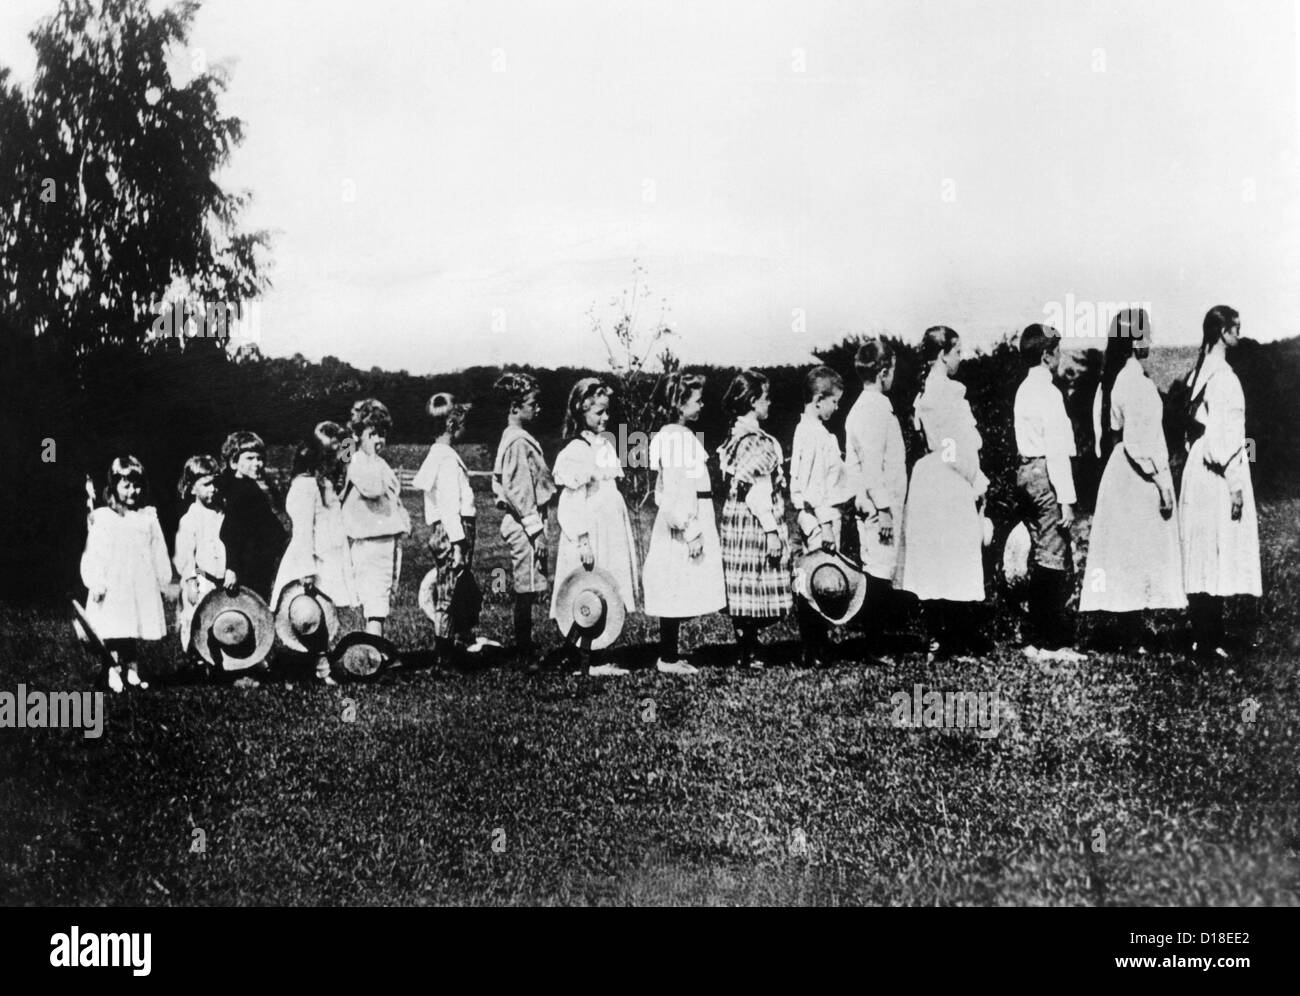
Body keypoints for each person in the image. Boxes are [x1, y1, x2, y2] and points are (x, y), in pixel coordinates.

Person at [1079, 311, 1185, 645]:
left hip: (1119, 470)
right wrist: (1163, 483)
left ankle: (1128, 627)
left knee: (1126, 549)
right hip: (1137, 474)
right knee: (1137, 548)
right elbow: (1141, 443)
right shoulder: (1134, 382)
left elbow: (1110, 435)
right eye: (1147, 335)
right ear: (1136, 340)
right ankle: (1131, 631)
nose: (1151, 341)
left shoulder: (1111, 380)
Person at [897, 326, 988, 658]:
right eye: (958, 352)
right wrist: (975, 479)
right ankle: (957, 640)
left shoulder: (923, 393)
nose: (961, 358)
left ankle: (938, 638)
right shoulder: (948, 393)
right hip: (948, 477)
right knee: (957, 556)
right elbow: (956, 448)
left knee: (936, 558)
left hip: (927, 476)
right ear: (943, 354)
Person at [1179, 305, 1261, 660]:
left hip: (1197, 467)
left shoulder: (1198, 373)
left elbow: (1194, 431)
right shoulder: (1224, 376)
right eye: (1235, 328)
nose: (1238, 334)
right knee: (1215, 549)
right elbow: (1224, 439)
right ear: (1222, 332)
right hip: (1216, 472)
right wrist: (1235, 485)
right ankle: (1209, 637)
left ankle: (1204, 634)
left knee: (1203, 551)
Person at [550, 377, 640, 676]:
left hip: (610, 530)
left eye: (607, 412)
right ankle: (587, 656)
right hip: (591, 531)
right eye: (599, 412)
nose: (606, 417)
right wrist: (583, 539)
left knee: (608, 585)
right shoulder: (576, 451)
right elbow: (571, 503)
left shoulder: (603, 445)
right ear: (581, 411)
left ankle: (601, 650)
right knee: (589, 585)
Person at [641, 372, 726, 675]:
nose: (702, 405)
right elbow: (676, 491)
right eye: (697, 400)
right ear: (679, 403)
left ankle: (670, 653)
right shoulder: (676, 438)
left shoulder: (676, 436)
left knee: (676, 582)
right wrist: (691, 530)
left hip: (691, 512)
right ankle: (667, 656)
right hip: (683, 521)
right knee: (674, 581)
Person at [1013, 324, 1086, 662]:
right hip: (1046, 474)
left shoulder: (1024, 390)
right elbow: (1057, 450)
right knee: (1053, 557)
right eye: (1057, 350)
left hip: (1025, 472)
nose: (1060, 357)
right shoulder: (1050, 393)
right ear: (1047, 355)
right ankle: (1049, 642)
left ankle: (1033, 637)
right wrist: (1066, 500)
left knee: (1041, 552)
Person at [272, 421, 358, 681]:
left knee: (325, 612)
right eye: (328, 455)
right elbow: (302, 532)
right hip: (313, 562)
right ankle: (319, 668)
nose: (334, 460)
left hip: (329, 558)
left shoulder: (323, 482)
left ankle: (321, 664)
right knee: (314, 613)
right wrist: (306, 570)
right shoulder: (305, 486)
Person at [718, 369, 792, 669]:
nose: (770, 403)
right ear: (752, 401)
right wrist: (771, 530)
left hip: (738, 521)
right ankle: (750, 647)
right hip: (754, 522)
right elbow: (756, 491)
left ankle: (746, 645)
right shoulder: (755, 442)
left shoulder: (736, 436)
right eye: (765, 398)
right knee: (757, 581)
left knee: (745, 582)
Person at [81, 456, 173, 693]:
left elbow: (158, 547)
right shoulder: (104, 518)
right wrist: (96, 581)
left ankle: (132, 670)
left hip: (138, 582)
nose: (134, 491)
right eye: (127, 485)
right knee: (113, 630)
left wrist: (163, 577)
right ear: (114, 486)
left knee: (131, 629)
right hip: (114, 583)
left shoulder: (148, 517)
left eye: (138, 485)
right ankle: (112, 671)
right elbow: (95, 552)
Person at [844, 339, 908, 660]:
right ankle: (874, 644)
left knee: (881, 567)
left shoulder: (873, 407)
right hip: (876, 505)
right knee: (878, 571)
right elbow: (871, 464)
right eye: (893, 370)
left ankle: (876, 640)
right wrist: (883, 509)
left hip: (881, 502)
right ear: (883, 373)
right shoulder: (871, 410)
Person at [413, 392, 489, 657]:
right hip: (453, 531)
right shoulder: (444, 458)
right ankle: (443, 654)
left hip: (450, 529)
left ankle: (461, 639)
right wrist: (458, 543)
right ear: (451, 424)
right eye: (462, 421)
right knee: (448, 592)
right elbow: (448, 506)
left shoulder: (440, 454)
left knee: (457, 587)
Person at [789, 365, 854, 667]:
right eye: (834, 401)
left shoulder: (808, 431)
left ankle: (813, 645)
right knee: (821, 580)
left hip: (813, 515)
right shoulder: (814, 434)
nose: (837, 407)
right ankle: (816, 647)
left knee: (815, 579)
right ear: (818, 400)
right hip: (819, 517)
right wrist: (826, 527)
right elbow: (814, 487)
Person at [492, 372, 557, 672]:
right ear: (516, 407)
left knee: (528, 584)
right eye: (533, 403)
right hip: (523, 522)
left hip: (524, 520)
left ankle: (526, 643)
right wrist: (537, 533)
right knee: (525, 586)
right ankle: (523, 647)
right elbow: (519, 490)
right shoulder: (517, 441)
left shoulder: (515, 438)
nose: (539, 408)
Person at [342, 398, 411, 638]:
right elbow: (372, 489)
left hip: (385, 538)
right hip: (370, 540)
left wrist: (402, 517)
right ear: (359, 435)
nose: (378, 440)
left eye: (382, 434)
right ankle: (374, 648)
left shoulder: (380, 463)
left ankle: (376, 646)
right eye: (372, 434)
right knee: (375, 598)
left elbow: (393, 495)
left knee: (382, 593)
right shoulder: (358, 461)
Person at [218, 430, 287, 603]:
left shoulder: (250, 488)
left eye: (260, 458)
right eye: (249, 458)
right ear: (234, 462)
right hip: (246, 567)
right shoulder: (238, 492)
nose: (257, 463)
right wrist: (232, 568)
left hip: (258, 564)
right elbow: (229, 532)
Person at [174, 454, 226, 659]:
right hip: (202, 577)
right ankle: (197, 658)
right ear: (192, 487)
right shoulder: (190, 519)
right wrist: (190, 581)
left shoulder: (222, 514)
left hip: (222, 577)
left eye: (214, 483)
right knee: (197, 617)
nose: (212, 489)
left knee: (221, 618)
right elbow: (185, 554)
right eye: (206, 484)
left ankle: (221, 658)